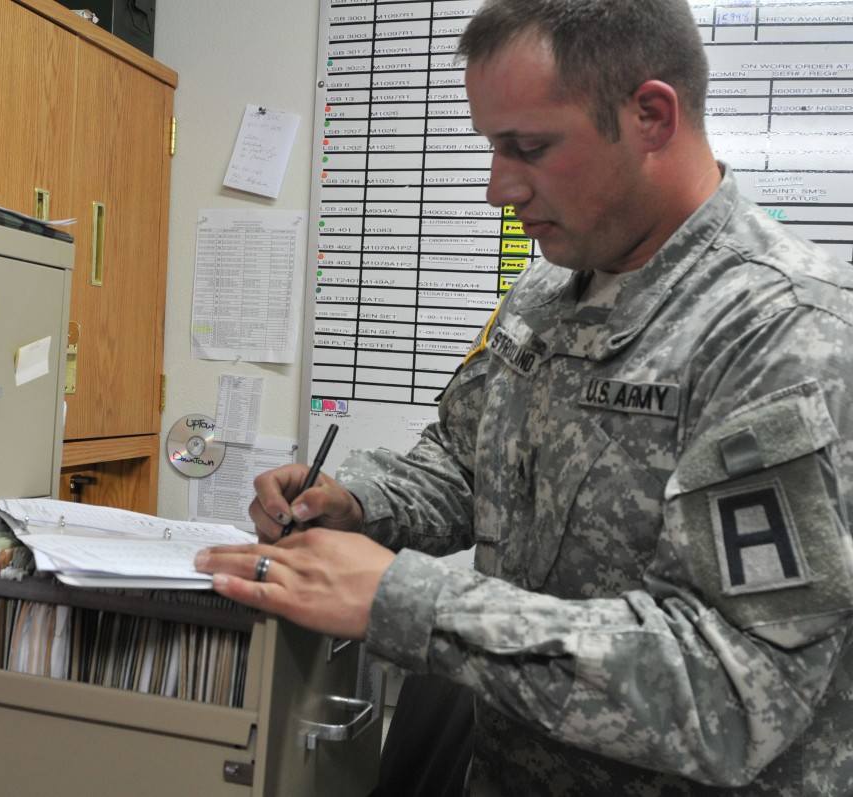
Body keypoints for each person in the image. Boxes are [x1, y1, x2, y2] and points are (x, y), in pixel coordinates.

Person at [194, 0, 853, 792]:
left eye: (529, 147)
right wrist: (357, 502)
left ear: (650, 115)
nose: (497, 188)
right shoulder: (546, 291)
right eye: (493, 148)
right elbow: (466, 468)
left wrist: (408, 600)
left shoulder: (785, 329)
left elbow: (737, 686)